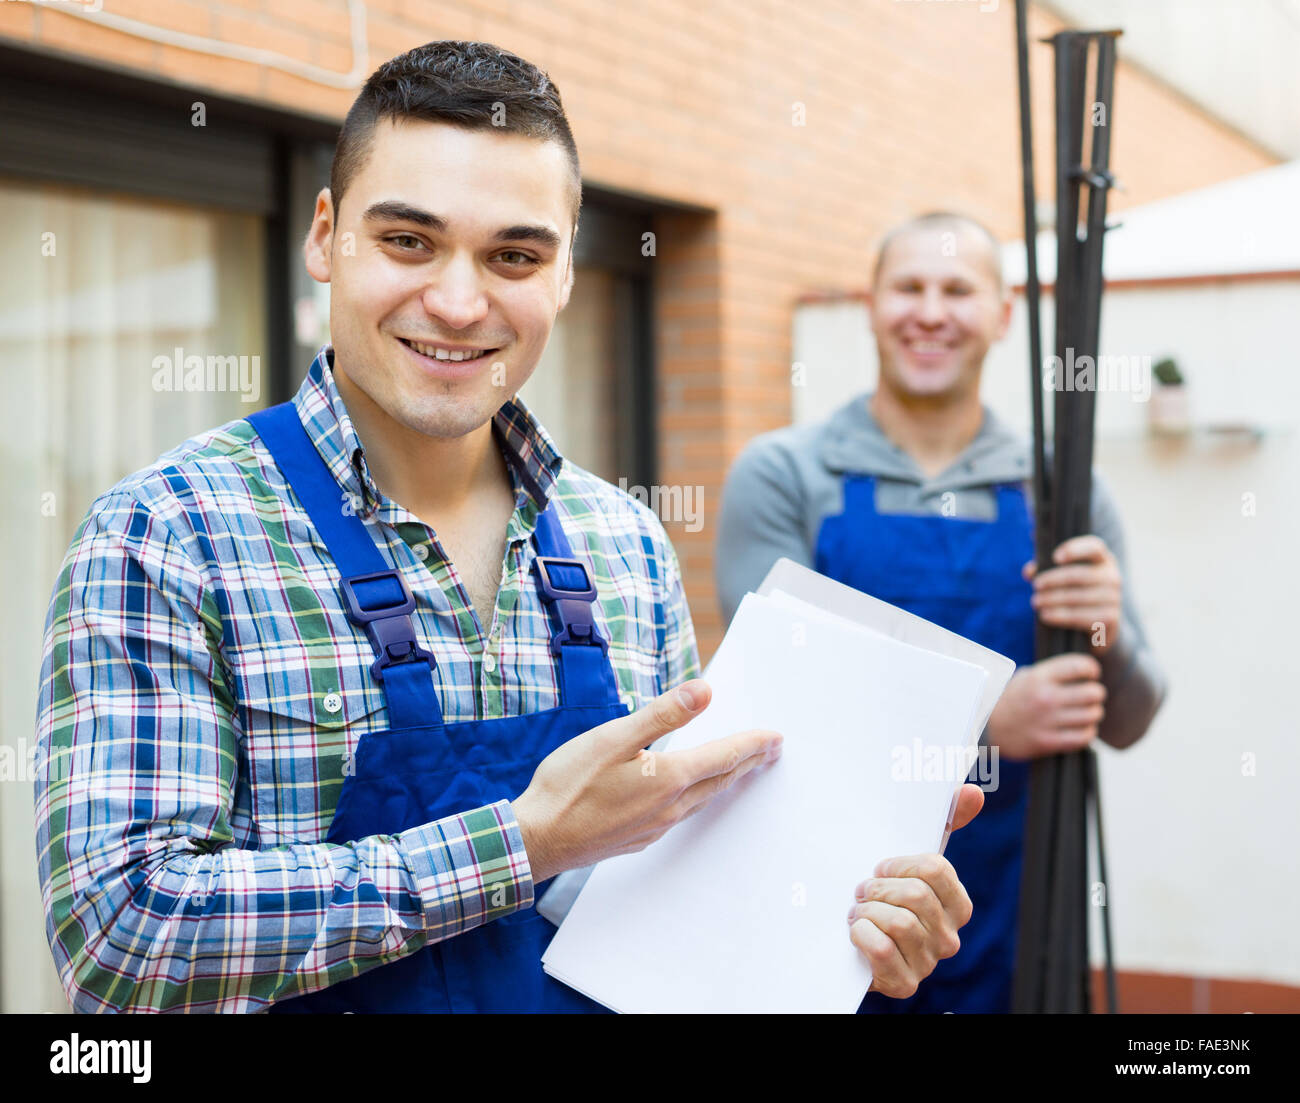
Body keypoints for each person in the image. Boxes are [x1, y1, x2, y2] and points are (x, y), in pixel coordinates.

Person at [34, 45, 983, 1014]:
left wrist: (831, 923)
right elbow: (122, 936)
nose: (456, 300)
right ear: (326, 238)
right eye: (408, 240)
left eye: (514, 256)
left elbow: (668, 911)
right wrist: (523, 843)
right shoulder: (169, 533)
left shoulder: (625, 544)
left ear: (565, 273)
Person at [716, 211, 1167, 1014]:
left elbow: (1131, 718)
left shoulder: (1065, 489)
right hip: (834, 905)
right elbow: (777, 707)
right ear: (871, 305)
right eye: (909, 287)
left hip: (1026, 905)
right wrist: (990, 722)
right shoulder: (785, 472)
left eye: (957, 289)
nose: (930, 310)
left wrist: (1107, 628)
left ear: (1001, 314)